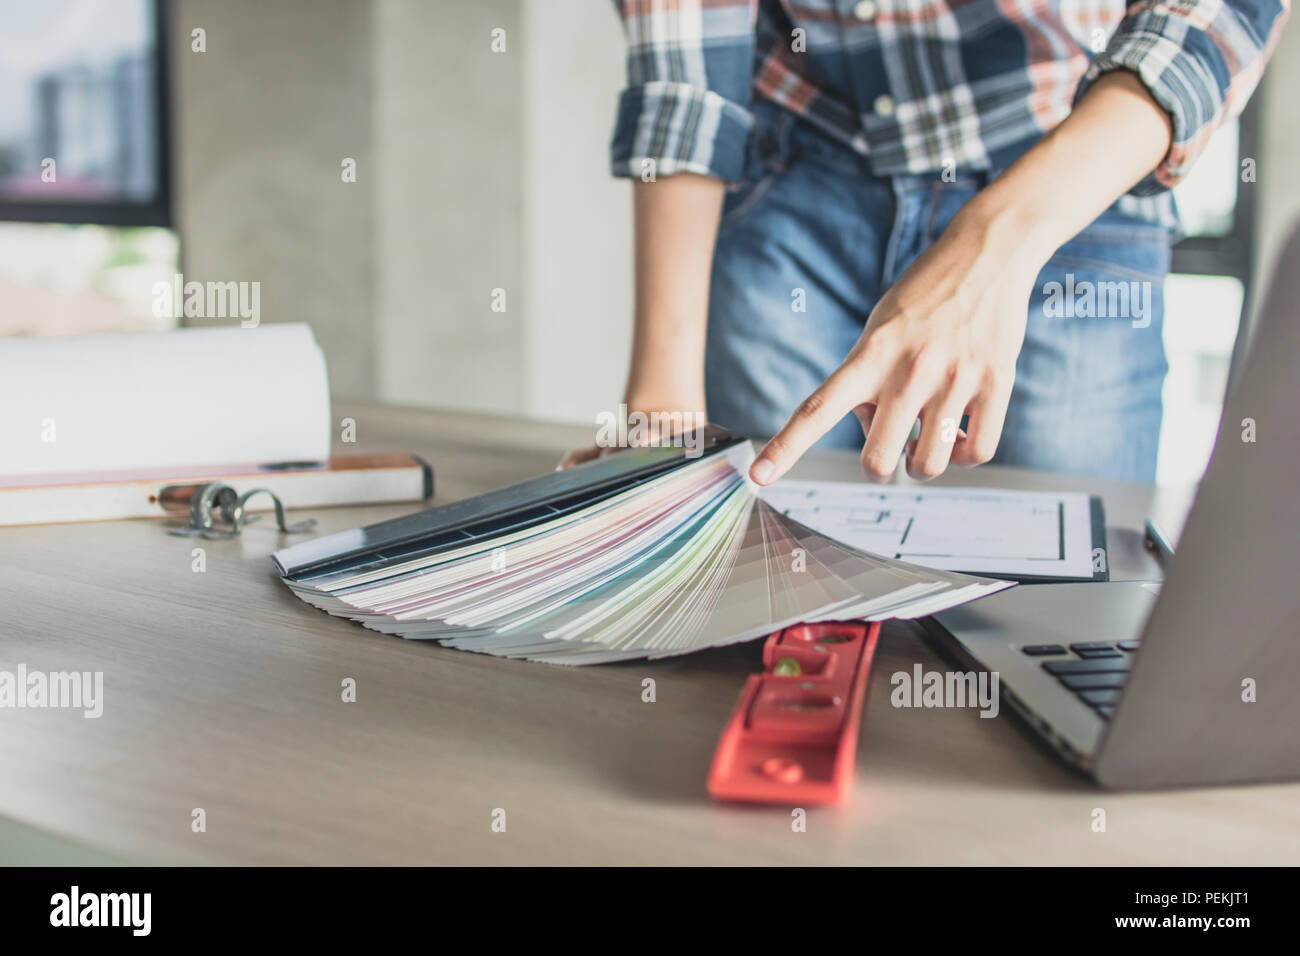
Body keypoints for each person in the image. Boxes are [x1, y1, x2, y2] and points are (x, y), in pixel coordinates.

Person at [567, 0, 1287, 485]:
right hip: (798, 166)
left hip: (1074, 171)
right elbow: (686, 49)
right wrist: (664, 400)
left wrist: (994, 247)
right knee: (765, 579)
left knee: (1058, 607)